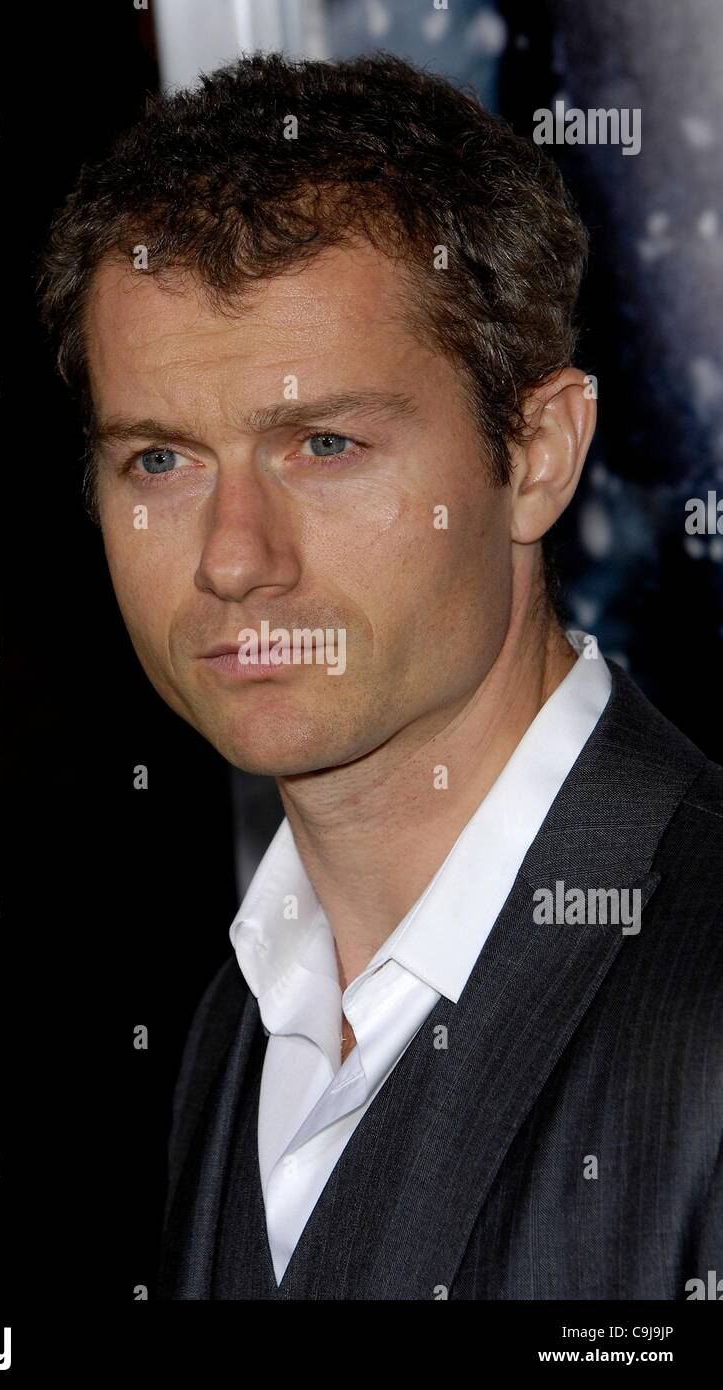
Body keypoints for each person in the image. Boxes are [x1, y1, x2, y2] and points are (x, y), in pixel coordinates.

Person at [37, 53, 723, 1299]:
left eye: (324, 443)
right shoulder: (242, 1016)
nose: (234, 559)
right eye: (160, 461)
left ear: (534, 454)